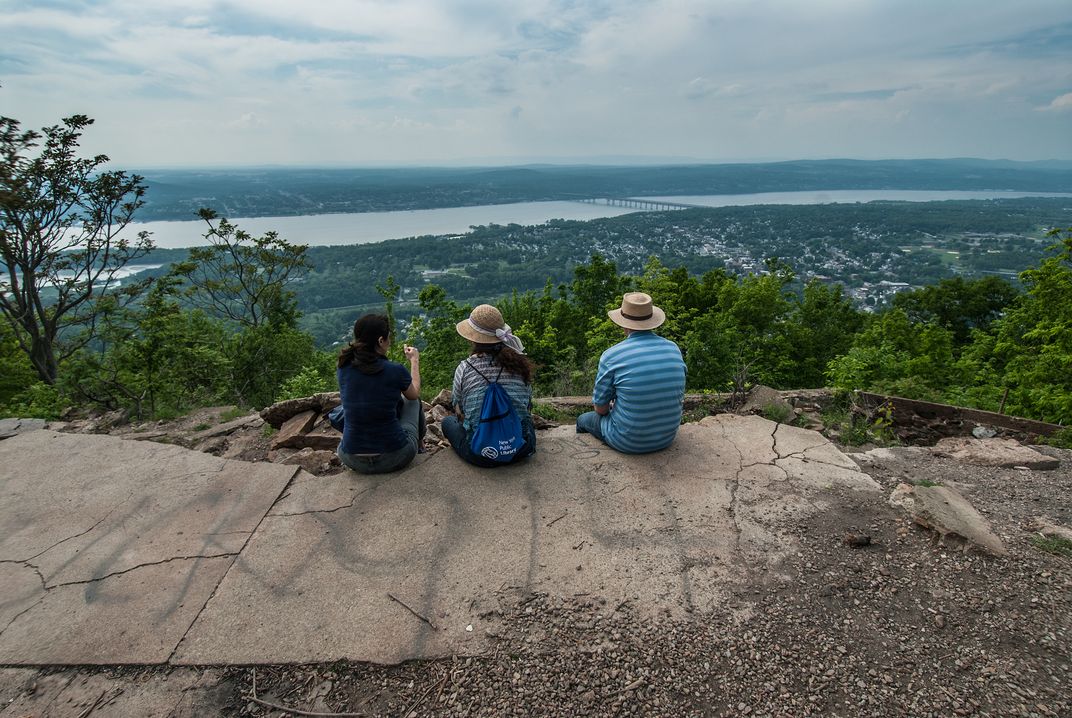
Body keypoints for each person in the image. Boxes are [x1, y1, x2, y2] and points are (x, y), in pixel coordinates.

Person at [576, 292, 686, 454]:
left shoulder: (612, 355)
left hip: (628, 442)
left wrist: (615, 406)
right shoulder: (673, 348)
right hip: (666, 438)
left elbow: (600, 409)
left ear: (623, 323)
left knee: (582, 420)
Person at [442, 304, 537, 467]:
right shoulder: (519, 365)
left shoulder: (464, 368)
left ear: (473, 338)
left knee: (448, 422)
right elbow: (527, 405)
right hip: (520, 449)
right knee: (526, 422)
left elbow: (458, 407)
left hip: (481, 455)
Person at [335, 313, 425, 474]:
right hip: (396, 456)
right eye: (388, 338)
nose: (389, 342)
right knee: (412, 402)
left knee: (350, 407)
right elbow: (414, 394)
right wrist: (414, 361)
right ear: (380, 341)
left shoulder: (343, 367)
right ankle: (420, 445)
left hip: (351, 458)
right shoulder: (394, 370)